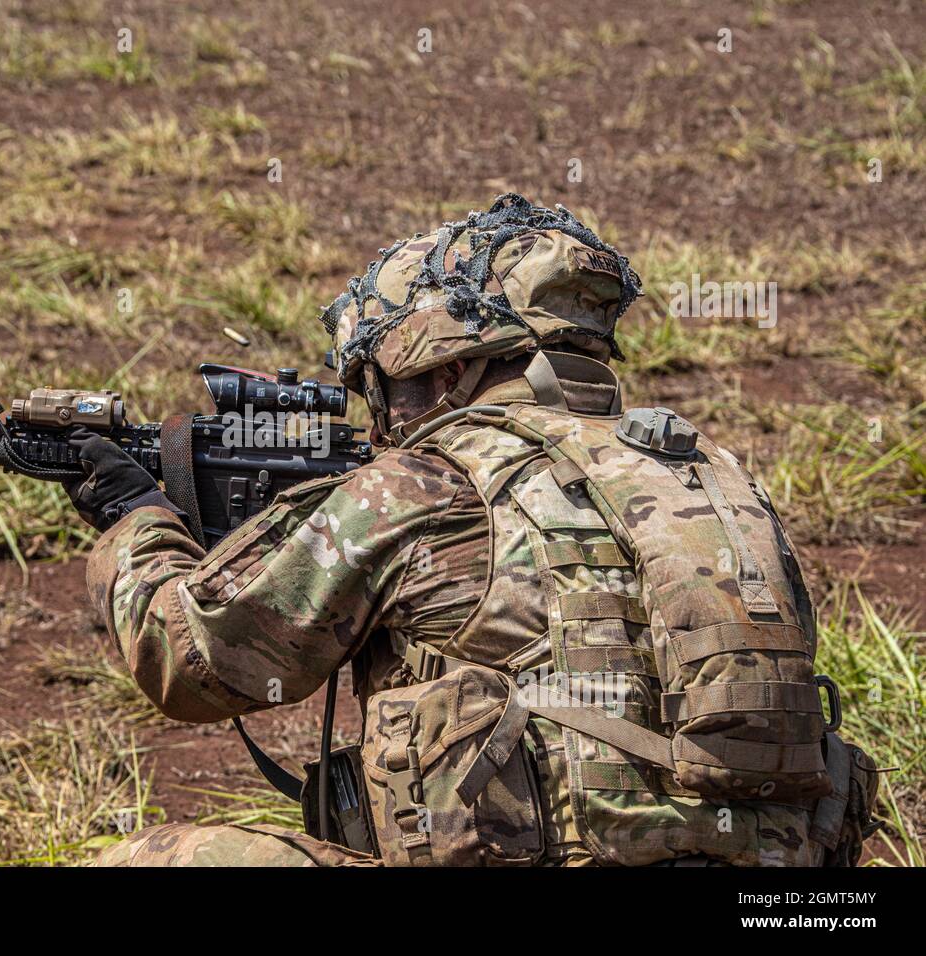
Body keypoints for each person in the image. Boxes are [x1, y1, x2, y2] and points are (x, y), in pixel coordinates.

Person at [61, 194, 879, 867]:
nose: (382, 419)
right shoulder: (719, 483)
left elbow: (192, 659)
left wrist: (136, 522)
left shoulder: (431, 485)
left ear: (446, 369)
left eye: (384, 385)